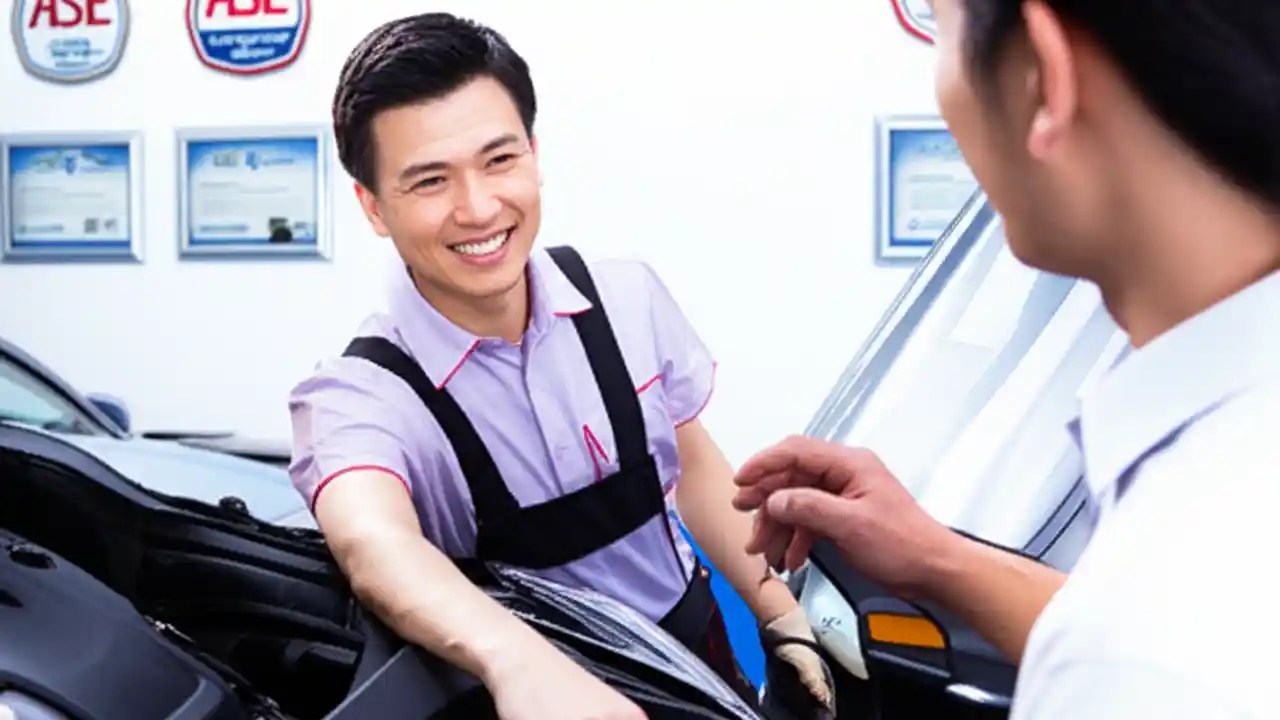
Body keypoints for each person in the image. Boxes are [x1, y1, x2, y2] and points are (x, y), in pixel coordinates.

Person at [734, 0, 1280, 717]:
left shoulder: (1137, 659)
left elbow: (1145, 649)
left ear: (1041, 79)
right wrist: (934, 558)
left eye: (940, 26)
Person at [287, 12, 834, 720]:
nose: (478, 208)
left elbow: (692, 467)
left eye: (499, 160)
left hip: (695, 660)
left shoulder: (626, 299)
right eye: (430, 182)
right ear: (372, 206)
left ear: (534, 155)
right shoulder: (358, 395)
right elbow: (373, 542)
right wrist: (517, 665)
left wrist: (779, 614)